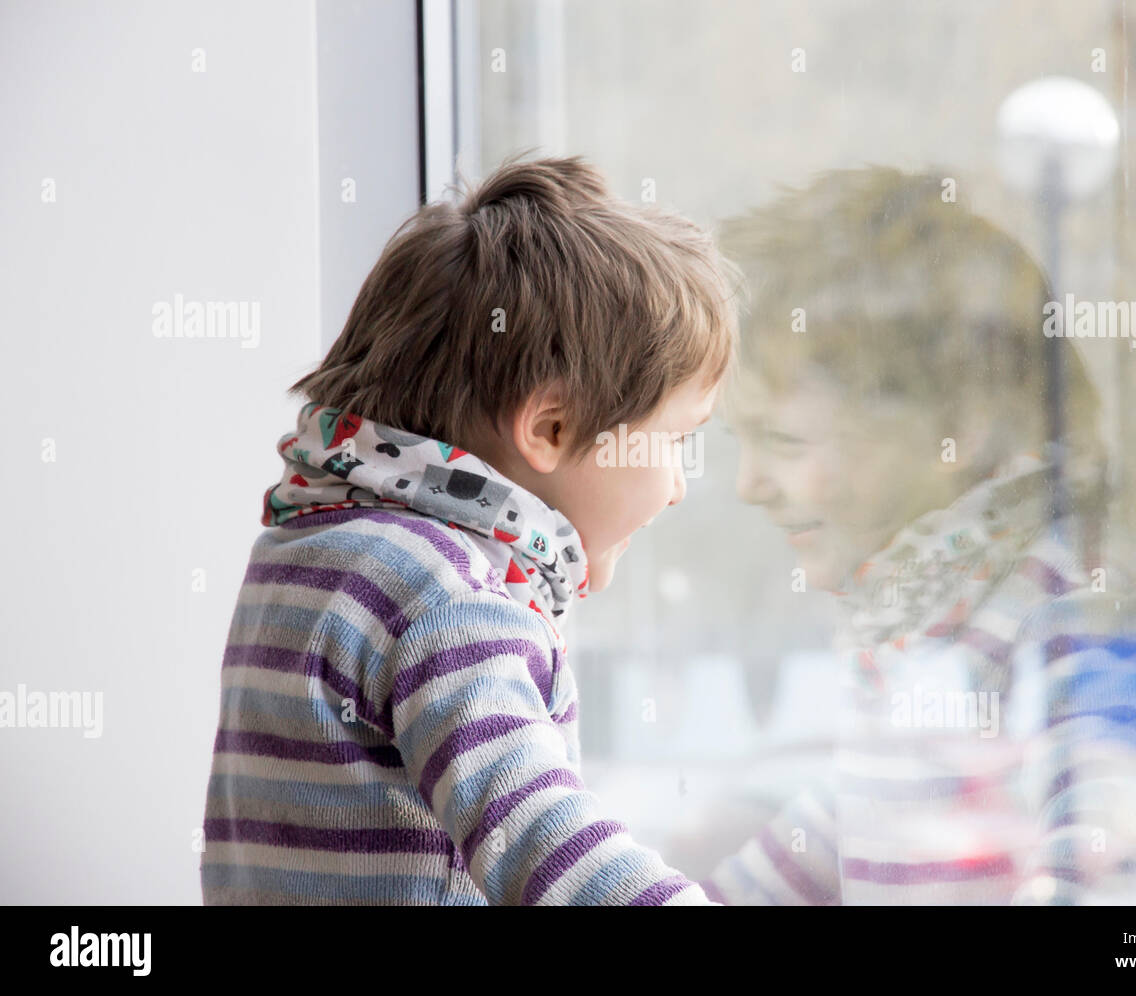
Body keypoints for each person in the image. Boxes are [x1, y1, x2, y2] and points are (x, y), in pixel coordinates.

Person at [200, 154, 740, 905]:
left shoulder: (305, 550)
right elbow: (544, 843)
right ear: (550, 428)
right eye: (678, 441)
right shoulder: (442, 596)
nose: (679, 487)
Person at [698, 165, 1136, 905]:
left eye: (786, 443)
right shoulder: (922, 617)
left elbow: (1104, 848)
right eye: (742, 444)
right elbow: (859, 816)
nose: (750, 485)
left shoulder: (1054, 609)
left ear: (958, 428)